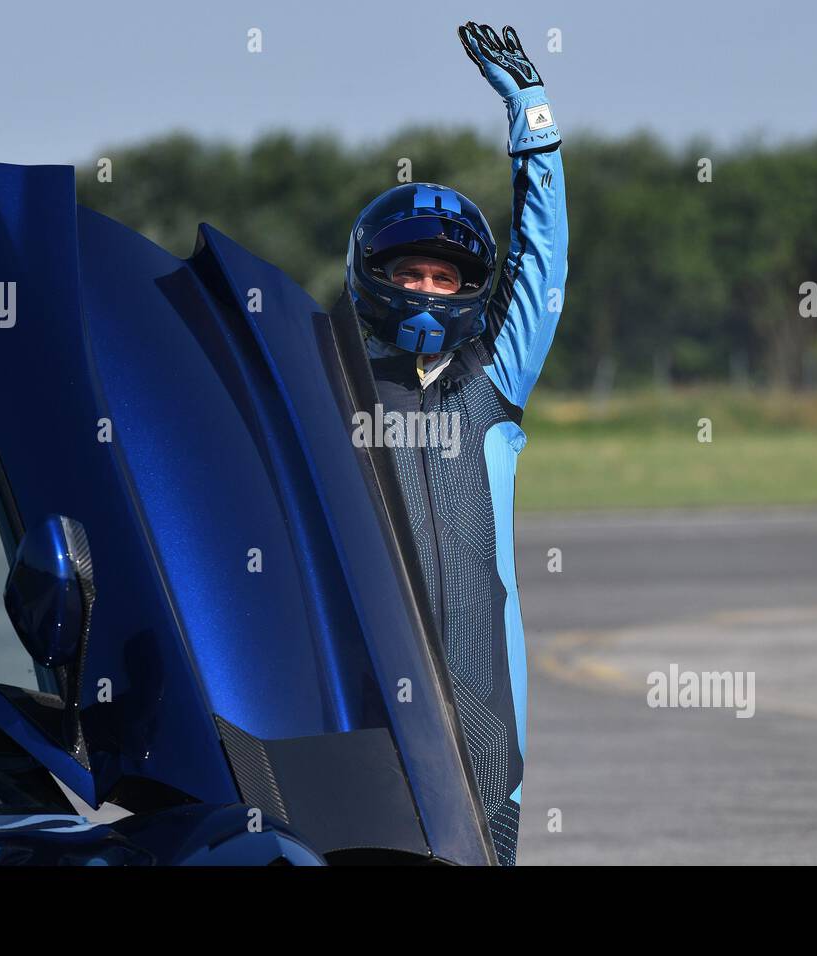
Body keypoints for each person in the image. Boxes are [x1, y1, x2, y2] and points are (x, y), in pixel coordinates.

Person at [332, 21, 567, 865]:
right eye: (408, 271)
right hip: (359, 689)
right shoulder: (335, 382)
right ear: (374, 276)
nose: (426, 288)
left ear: (471, 287)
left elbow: (543, 267)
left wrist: (534, 126)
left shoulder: (493, 378)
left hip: (484, 703)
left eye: (444, 275)